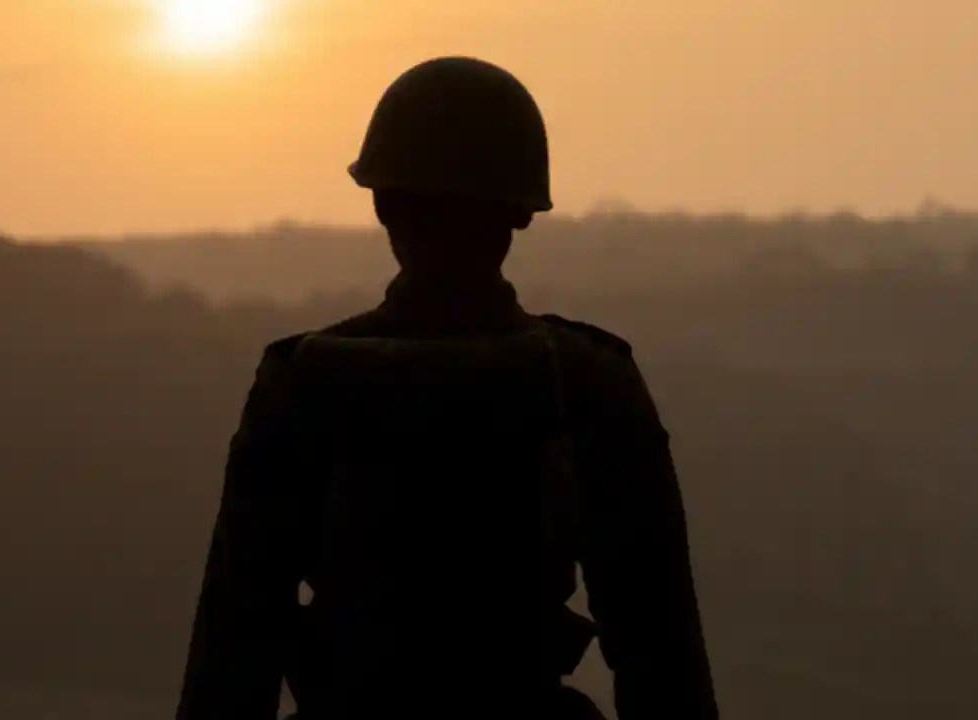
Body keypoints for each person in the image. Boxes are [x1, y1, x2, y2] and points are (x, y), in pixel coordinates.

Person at [175, 56, 718, 720]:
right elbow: (660, 649)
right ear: (522, 211)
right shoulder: (591, 377)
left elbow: (233, 651)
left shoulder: (300, 379)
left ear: (381, 202)